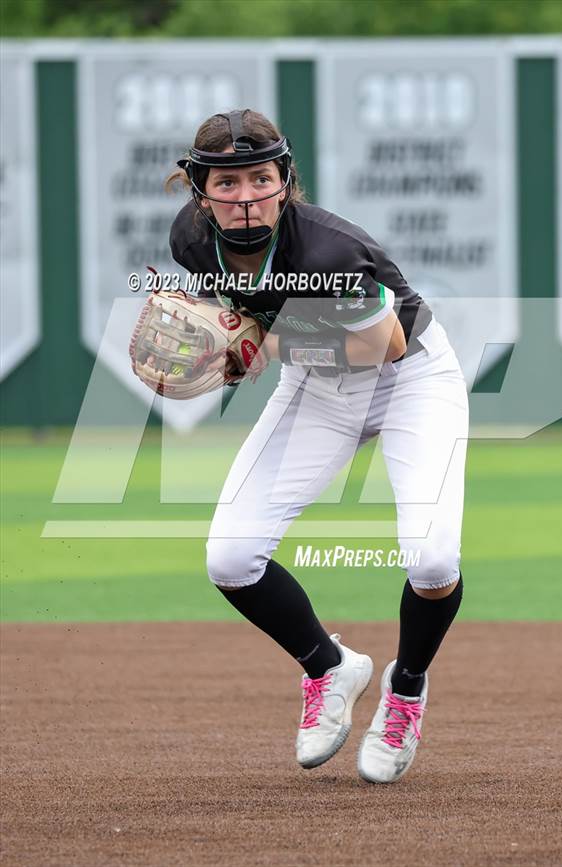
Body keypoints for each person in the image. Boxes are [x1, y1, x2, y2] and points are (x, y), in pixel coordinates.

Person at [167, 109, 468, 784]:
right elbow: (251, 311)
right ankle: (330, 669)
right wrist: (234, 342)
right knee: (231, 557)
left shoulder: (327, 250)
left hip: (409, 375)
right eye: (226, 182)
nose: (244, 195)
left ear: (285, 180)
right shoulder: (191, 239)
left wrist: (263, 346)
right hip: (318, 385)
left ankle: (406, 689)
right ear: (199, 189)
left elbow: (380, 344)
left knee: (433, 558)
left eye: (259, 178)